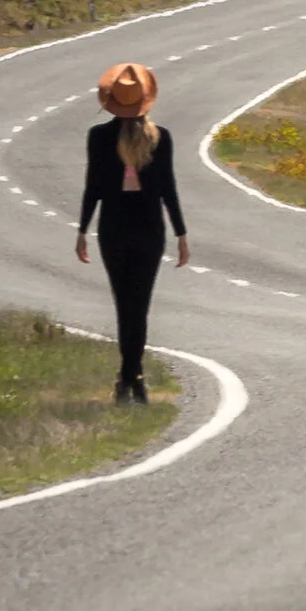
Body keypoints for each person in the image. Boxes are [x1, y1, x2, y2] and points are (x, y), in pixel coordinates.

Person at [75, 60, 188, 404]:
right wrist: (182, 233)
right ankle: (133, 377)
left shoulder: (98, 137)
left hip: (113, 229)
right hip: (149, 230)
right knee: (139, 305)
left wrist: (82, 230)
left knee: (123, 303)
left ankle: (128, 377)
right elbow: (168, 188)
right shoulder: (159, 138)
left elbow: (92, 187)